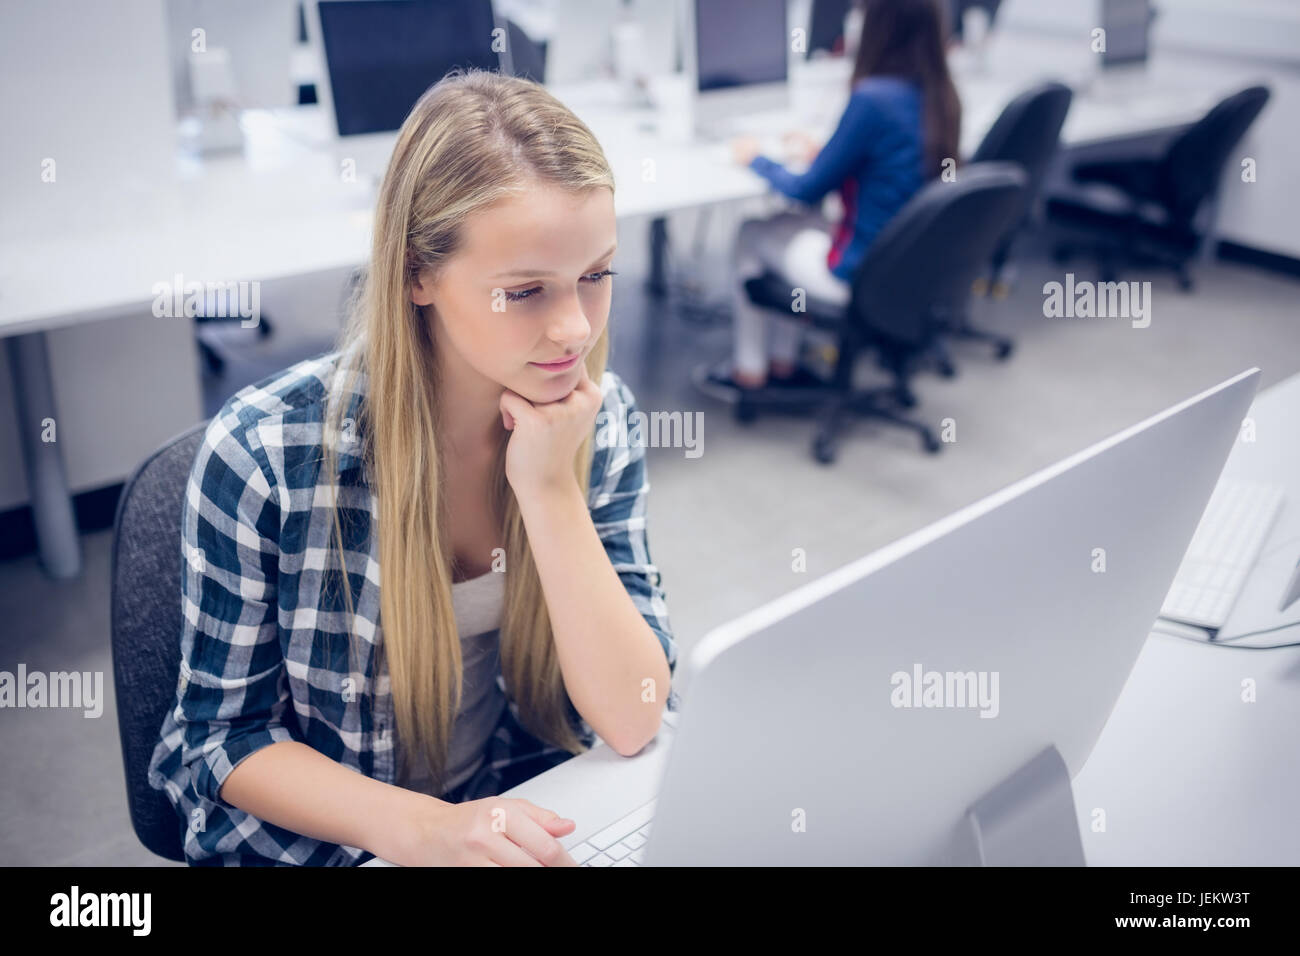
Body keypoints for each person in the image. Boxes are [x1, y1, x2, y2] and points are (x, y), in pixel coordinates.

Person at [148, 68, 679, 866]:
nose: (575, 327)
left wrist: (547, 485)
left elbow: (636, 716)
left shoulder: (599, 420)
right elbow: (218, 739)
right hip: (330, 846)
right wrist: (419, 827)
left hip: (519, 811)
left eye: (596, 276)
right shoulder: (266, 456)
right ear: (415, 274)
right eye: (526, 290)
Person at [705, 0, 962, 392]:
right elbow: (888, 163)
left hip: (857, 275)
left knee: (753, 231)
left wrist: (756, 158)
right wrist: (829, 152)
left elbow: (805, 191)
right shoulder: (944, 97)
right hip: (907, 273)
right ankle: (783, 362)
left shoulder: (873, 98)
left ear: (880, 26)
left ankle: (751, 371)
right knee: (793, 229)